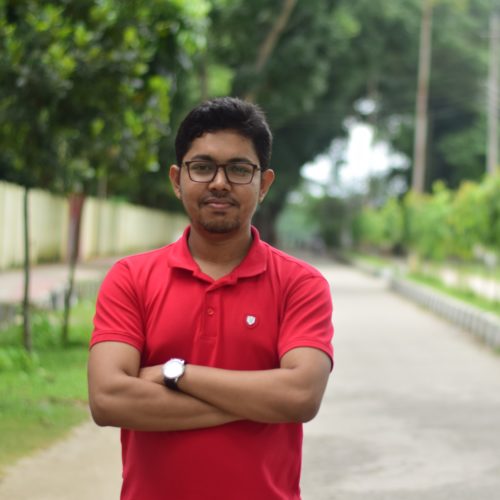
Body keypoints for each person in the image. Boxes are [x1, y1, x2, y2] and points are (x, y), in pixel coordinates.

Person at [88, 96, 334, 500]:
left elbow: (301, 396)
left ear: (264, 184)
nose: (219, 183)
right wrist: (257, 403)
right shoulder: (131, 278)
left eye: (239, 169)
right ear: (177, 179)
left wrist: (174, 374)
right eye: (202, 167)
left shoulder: (300, 284)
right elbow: (108, 399)